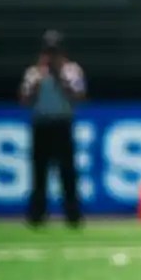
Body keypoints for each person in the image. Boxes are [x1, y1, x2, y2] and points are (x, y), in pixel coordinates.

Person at [19, 30, 86, 227]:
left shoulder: (72, 71)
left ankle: (72, 214)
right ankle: (37, 214)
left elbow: (80, 96)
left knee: (67, 172)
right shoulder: (34, 73)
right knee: (39, 172)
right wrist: (37, 83)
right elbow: (24, 99)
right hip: (42, 125)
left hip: (62, 124)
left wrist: (61, 80)